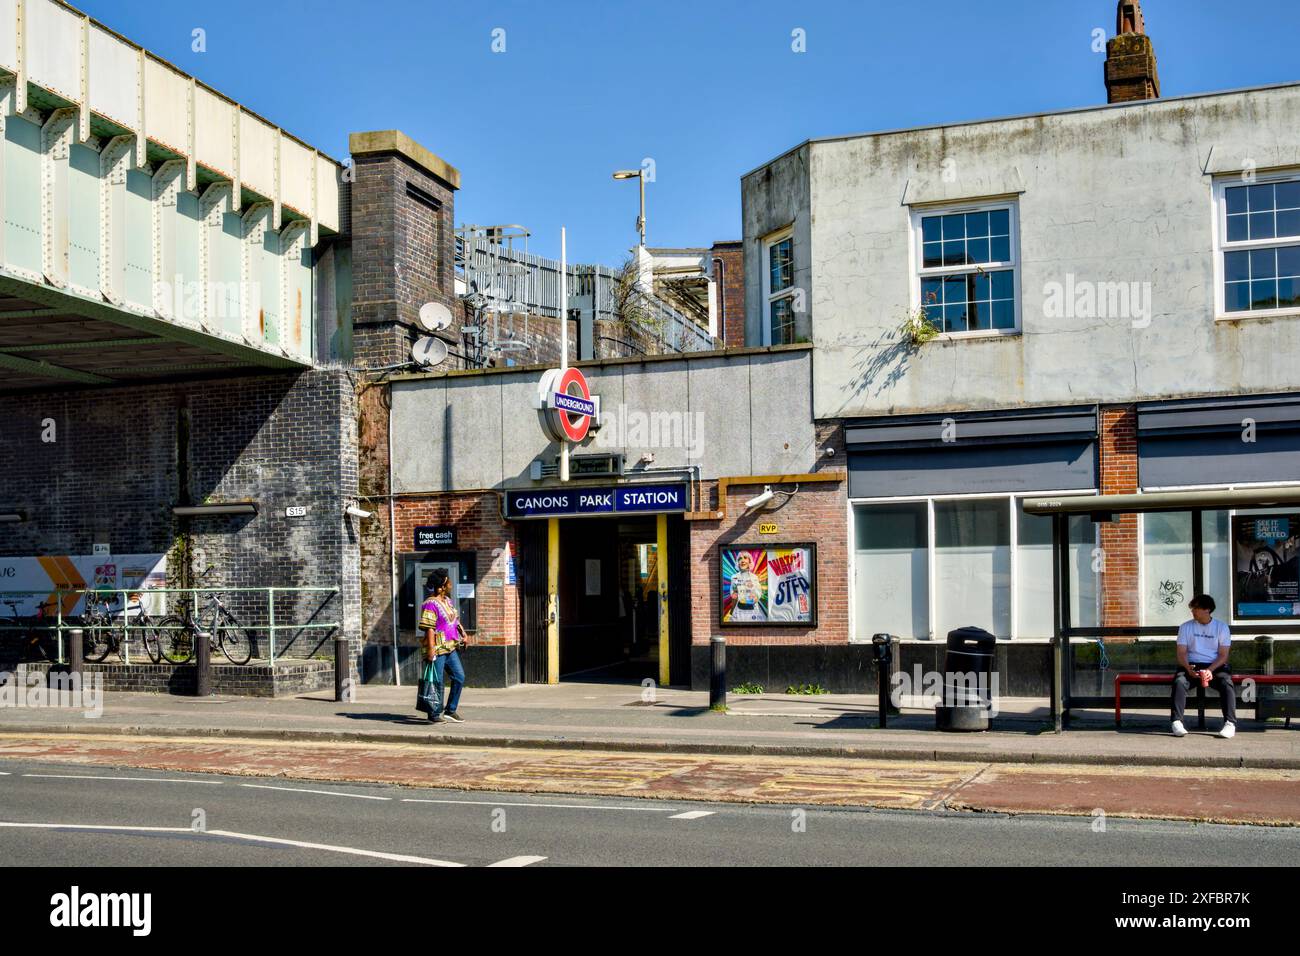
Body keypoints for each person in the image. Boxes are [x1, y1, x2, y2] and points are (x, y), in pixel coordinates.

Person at [1171, 594, 1236, 739]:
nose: (1193, 611)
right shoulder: (1185, 627)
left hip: (1215, 666)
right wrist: (1188, 668)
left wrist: (1209, 670)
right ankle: (1176, 722)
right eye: (1192, 608)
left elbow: (1223, 655)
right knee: (1180, 681)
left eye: (1196, 608)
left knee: (1226, 682)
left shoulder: (1221, 627)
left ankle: (1230, 723)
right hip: (1191, 664)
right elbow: (1181, 653)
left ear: (1207, 609)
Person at [418, 569, 468, 723]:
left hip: (450, 648)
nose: (451, 584)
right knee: (436, 681)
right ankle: (433, 714)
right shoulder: (430, 604)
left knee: (459, 677)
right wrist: (431, 650)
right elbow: (430, 628)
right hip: (438, 650)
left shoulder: (447, 600)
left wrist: (463, 634)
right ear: (442, 586)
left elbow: (455, 620)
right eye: (448, 582)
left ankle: (450, 710)